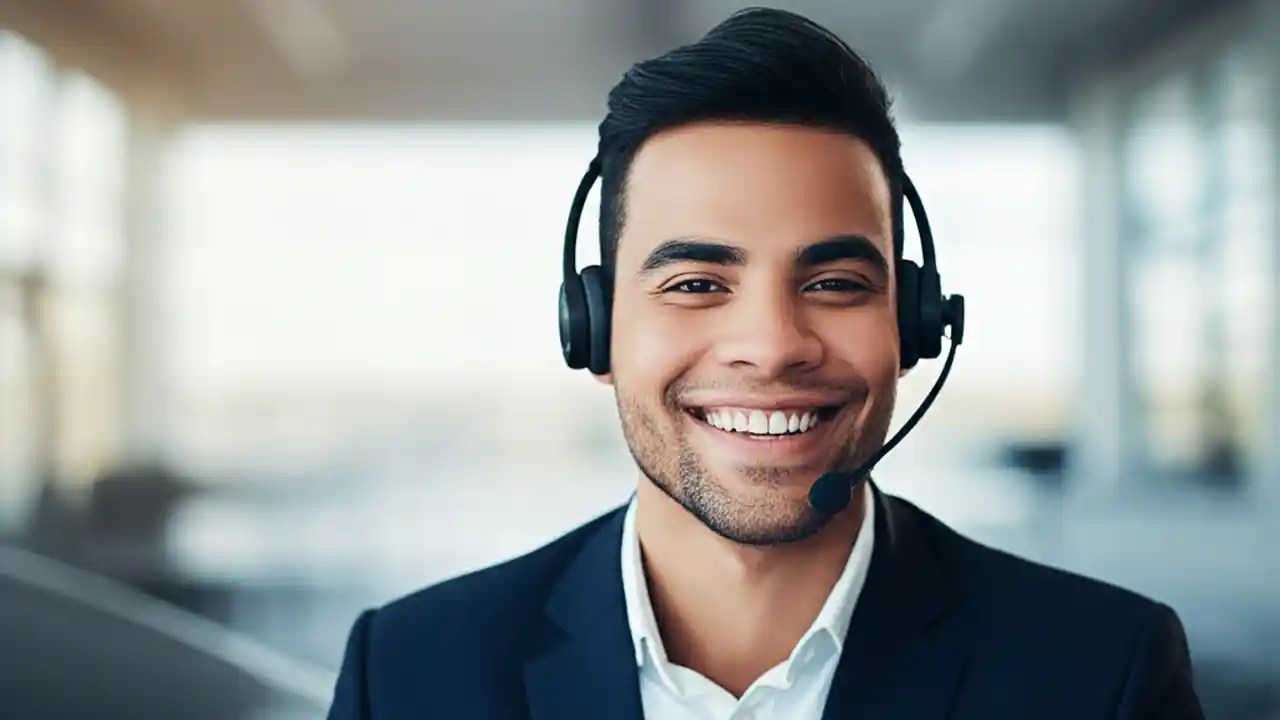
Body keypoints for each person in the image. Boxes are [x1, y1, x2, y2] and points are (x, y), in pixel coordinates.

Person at [327, 7, 1204, 719]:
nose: (775, 344)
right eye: (697, 283)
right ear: (592, 330)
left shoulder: (1099, 674)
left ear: (913, 324)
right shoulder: (411, 673)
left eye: (833, 283)